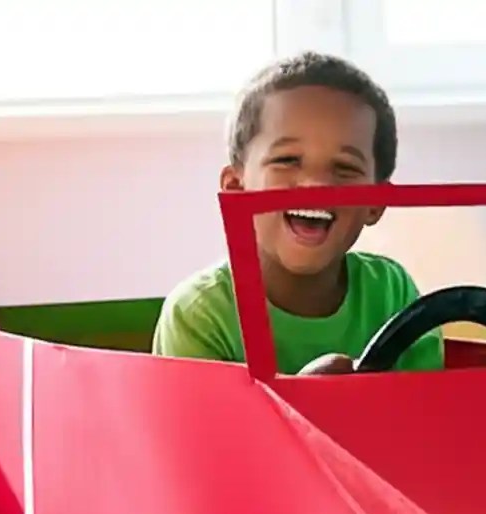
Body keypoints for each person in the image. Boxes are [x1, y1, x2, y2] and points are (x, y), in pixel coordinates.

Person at [152, 51, 444, 375]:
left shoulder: (393, 293)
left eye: (345, 167)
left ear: (376, 203)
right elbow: (201, 426)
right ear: (236, 188)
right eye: (287, 160)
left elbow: (424, 414)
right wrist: (309, 399)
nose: (316, 185)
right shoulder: (200, 314)